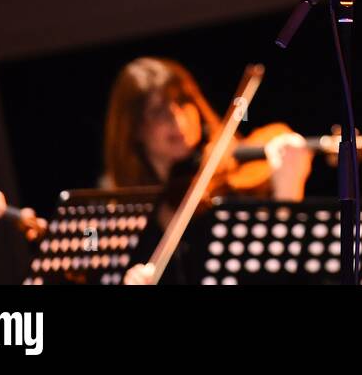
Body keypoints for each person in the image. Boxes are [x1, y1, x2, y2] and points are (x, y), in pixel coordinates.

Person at [102, 57, 313, 284]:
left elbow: (276, 273)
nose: (178, 118)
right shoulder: (121, 220)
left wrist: (288, 198)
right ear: (134, 130)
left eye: (182, 102)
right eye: (158, 111)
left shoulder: (228, 189)